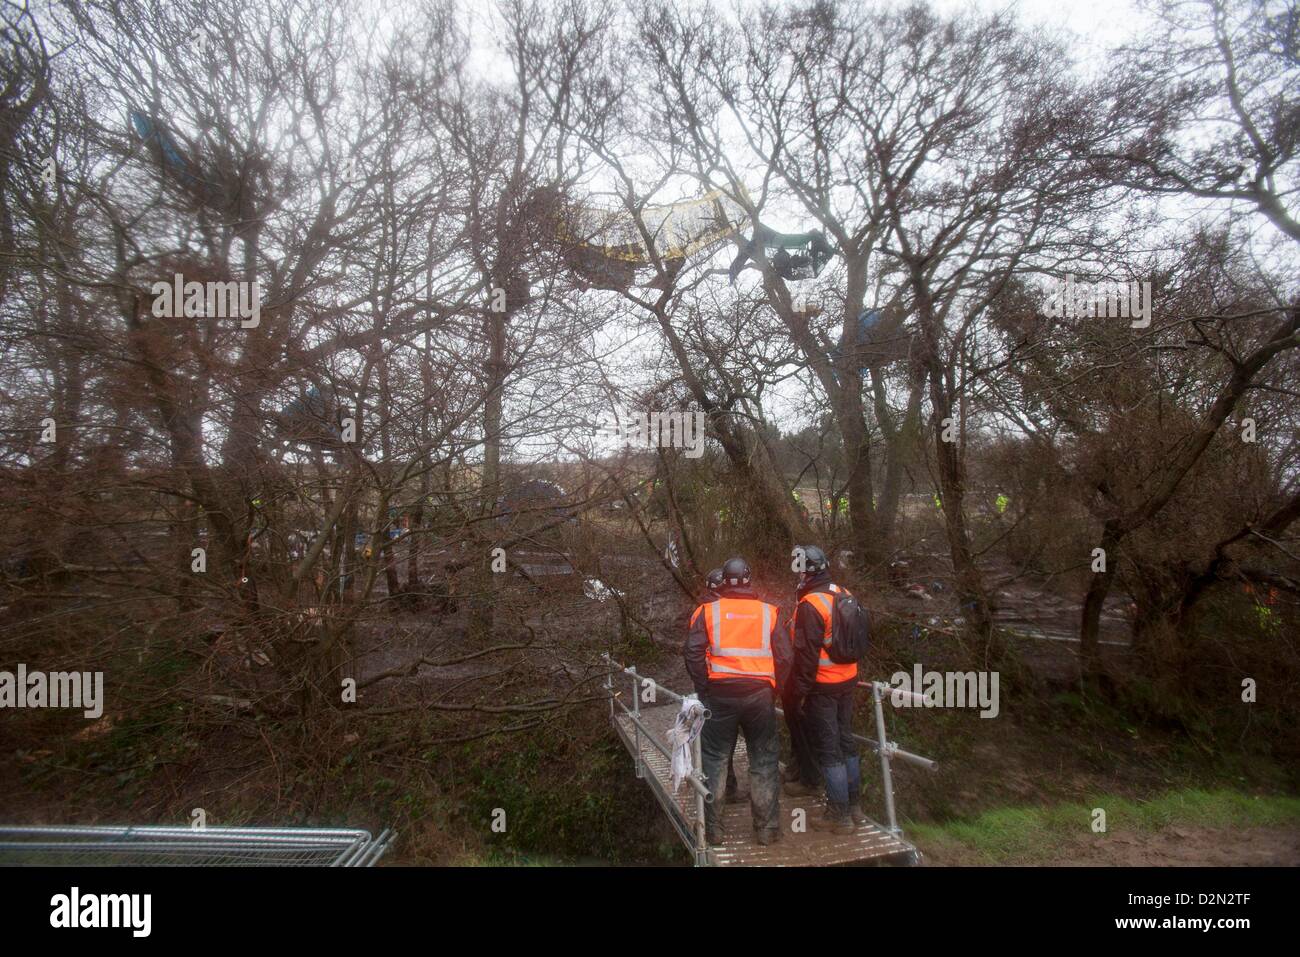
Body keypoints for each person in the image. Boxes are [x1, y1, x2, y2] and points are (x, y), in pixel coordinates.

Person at [684, 557, 786, 846]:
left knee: (714, 760)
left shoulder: (706, 612)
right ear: (749, 580)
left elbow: (692, 653)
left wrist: (704, 688)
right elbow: (786, 656)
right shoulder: (770, 612)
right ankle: (767, 829)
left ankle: (713, 831)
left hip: (719, 695)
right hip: (759, 696)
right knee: (764, 760)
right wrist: (773, 689)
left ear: (723, 581)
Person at [785, 545, 866, 835]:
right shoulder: (845, 594)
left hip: (823, 686)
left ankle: (838, 814)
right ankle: (855, 806)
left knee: (829, 749)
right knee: (847, 743)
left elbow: (806, 656)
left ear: (804, 572)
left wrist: (800, 692)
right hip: (848, 680)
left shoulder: (811, 604)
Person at [689, 568, 742, 804]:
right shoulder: (711, 612)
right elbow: (694, 652)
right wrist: (704, 685)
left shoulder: (707, 611)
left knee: (718, 742)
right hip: (719, 685)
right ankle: (722, 792)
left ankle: (724, 791)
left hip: (716, 685)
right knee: (719, 744)